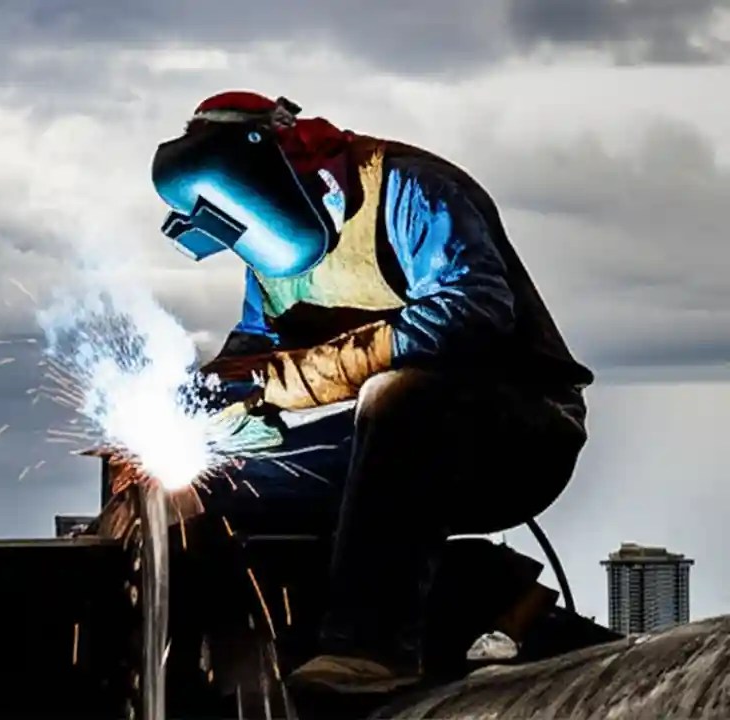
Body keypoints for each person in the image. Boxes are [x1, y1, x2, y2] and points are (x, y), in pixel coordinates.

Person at [150, 91, 593, 694]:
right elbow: (257, 348)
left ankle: (371, 652)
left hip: (517, 430)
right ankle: (484, 592)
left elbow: (474, 310)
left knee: (397, 395)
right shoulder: (271, 245)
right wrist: (212, 394)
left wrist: (291, 379)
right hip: (384, 443)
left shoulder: (410, 188)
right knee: (222, 487)